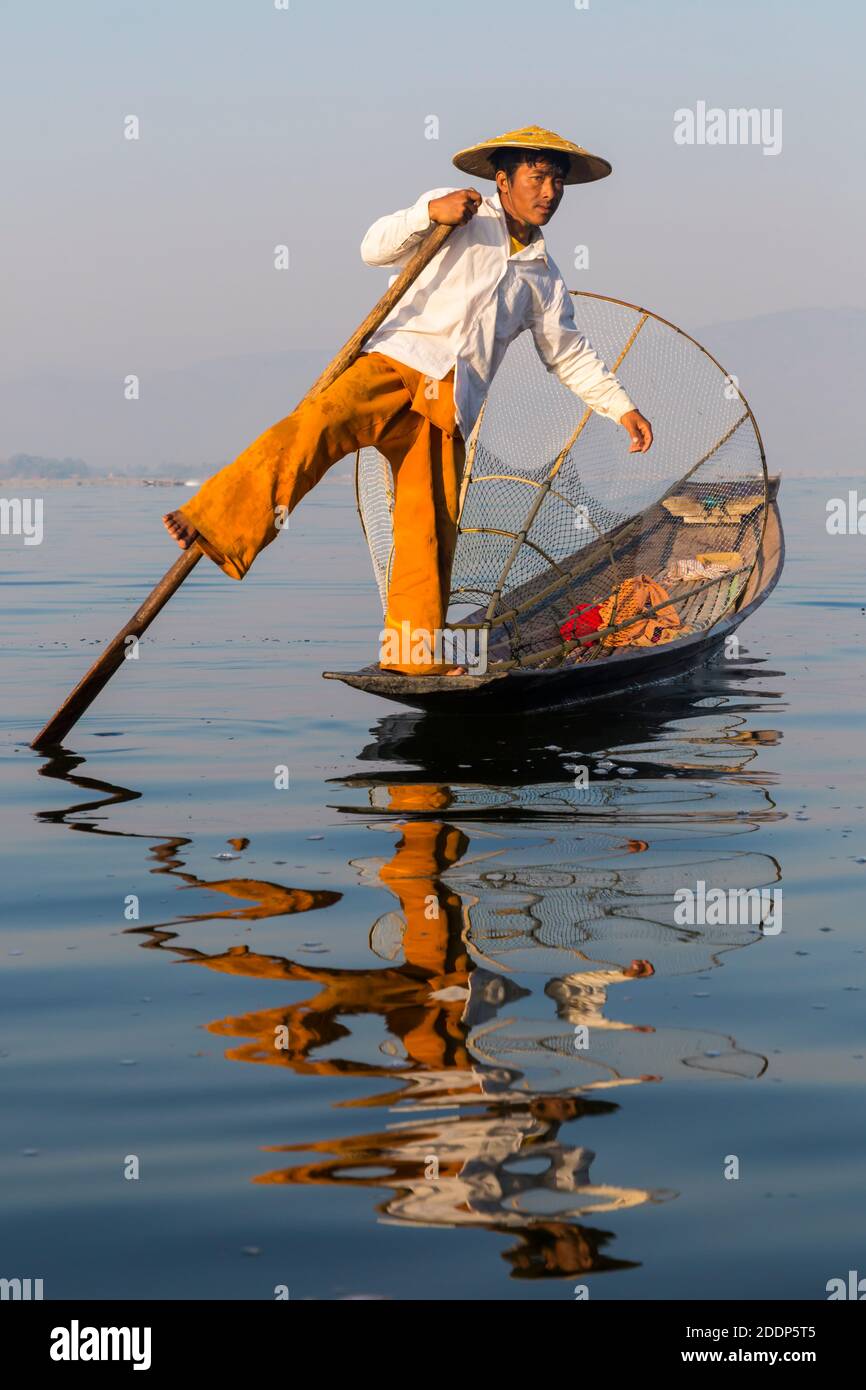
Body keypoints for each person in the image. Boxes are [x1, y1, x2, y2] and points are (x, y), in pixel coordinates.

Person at [163, 124, 653, 674]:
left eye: (556, 183)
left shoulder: (543, 276)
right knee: (311, 429)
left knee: (428, 528)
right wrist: (429, 216)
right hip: (394, 366)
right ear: (503, 180)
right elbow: (373, 249)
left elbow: (567, 353)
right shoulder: (457, 213)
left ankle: (412, 657)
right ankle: (217, 521)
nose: (548, 193)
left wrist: (620, 406)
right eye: (537, 178)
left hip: (450, 403)